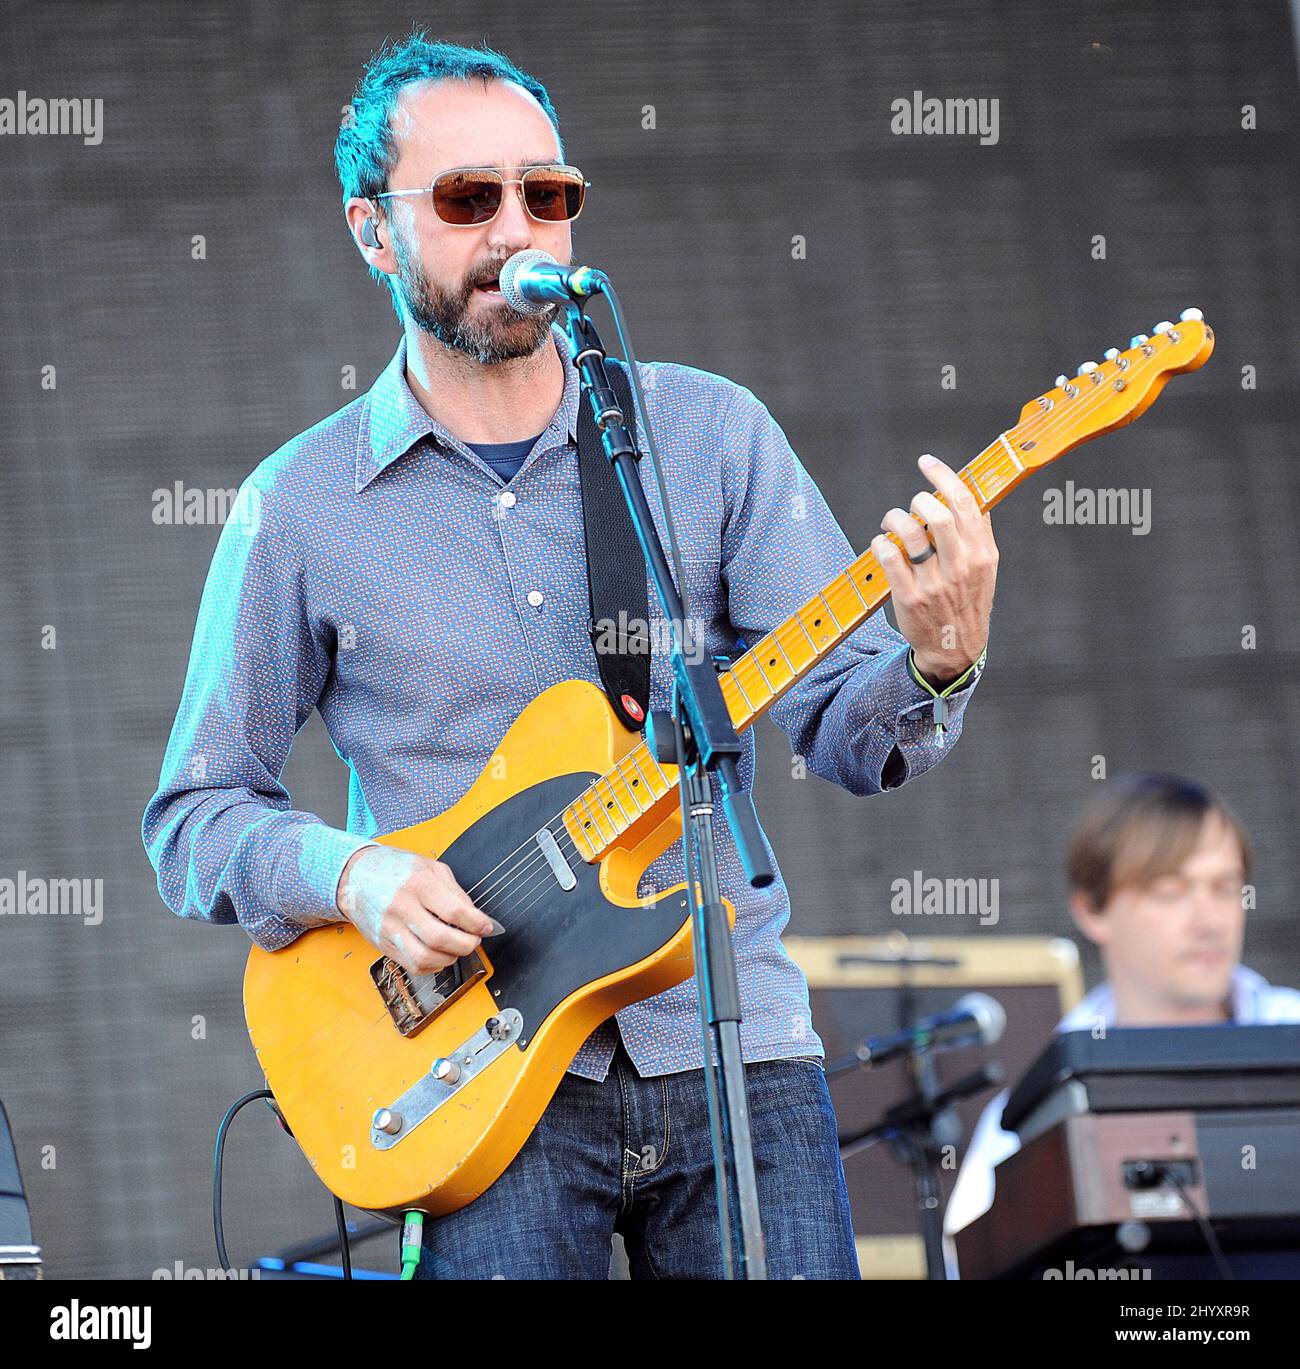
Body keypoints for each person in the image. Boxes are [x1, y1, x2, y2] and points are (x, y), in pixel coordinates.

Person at [142, 31, 998, 1280]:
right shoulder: (299, 503)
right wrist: (354, 878)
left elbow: (837, 726)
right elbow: (194, 815)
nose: (515, 231)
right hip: (468, 1071)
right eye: (466, 198)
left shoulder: (705, 434)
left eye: (545, 195)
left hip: (732, 1044)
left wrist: (936, 663)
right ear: (374, 233)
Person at [944, 774, 1300, 1274]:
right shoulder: (1029, 1117)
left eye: (1224, 887)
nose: (1209, 920)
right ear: (1092, 909)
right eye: (1170, 890)